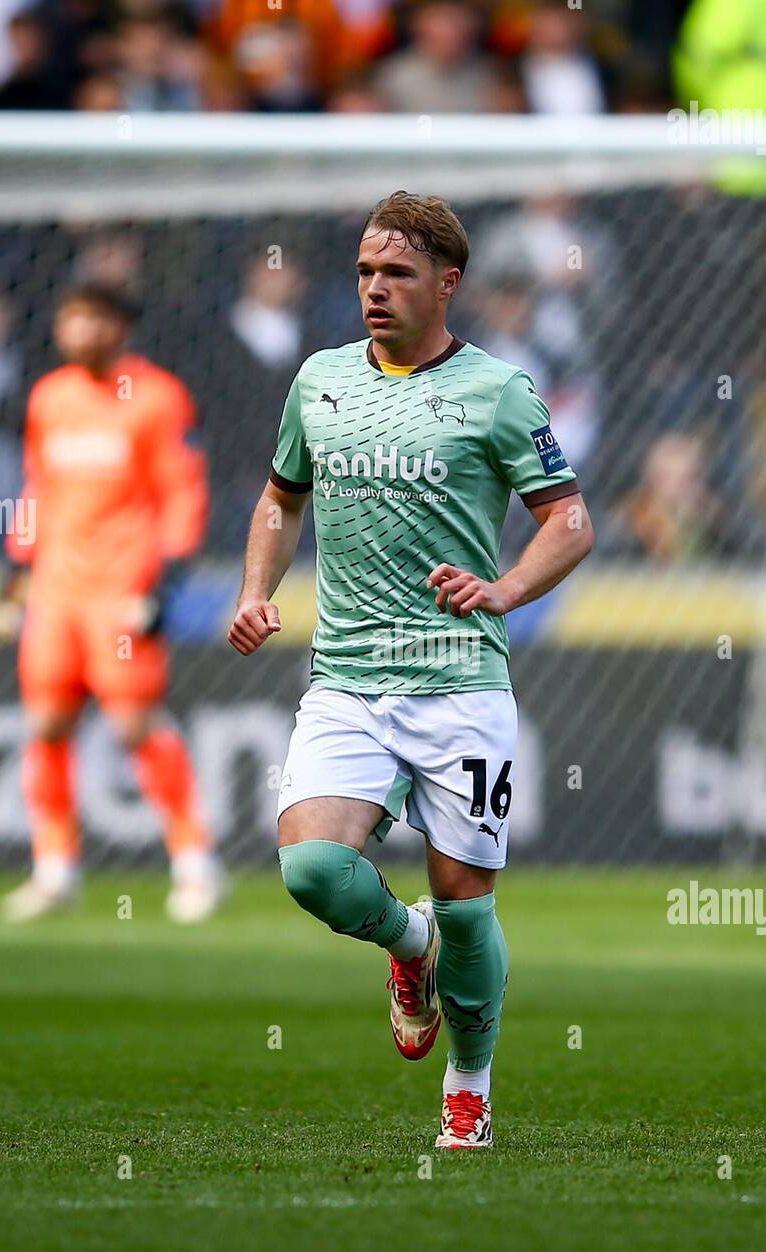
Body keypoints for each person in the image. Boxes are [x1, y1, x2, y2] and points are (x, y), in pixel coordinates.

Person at [227, 192, 594, 1148]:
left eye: (396, 273)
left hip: (460, 684)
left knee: (470, 905)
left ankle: (468, 1085)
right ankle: (409, 943)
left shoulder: (500, 392)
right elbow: (279, 497)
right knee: (312, 870)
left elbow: (571, 519)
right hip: (346, 677)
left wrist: (505, 590)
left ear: (447, 283)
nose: (374, 290)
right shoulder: (319, 380)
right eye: (363, 272)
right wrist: (255, 588)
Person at [0, 283, 223, 923]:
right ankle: (54, 869)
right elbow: (38, 486)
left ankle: (194, 860)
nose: (78, 329)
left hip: (121, 590)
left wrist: (167, 580)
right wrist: (19, 564)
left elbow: (182, 491)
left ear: (121, 327)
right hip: (55, 590)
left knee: (133, 725)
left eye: (94, 317)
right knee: (46, 724)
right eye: (70, 316)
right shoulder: (50, 397)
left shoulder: (155, 397)